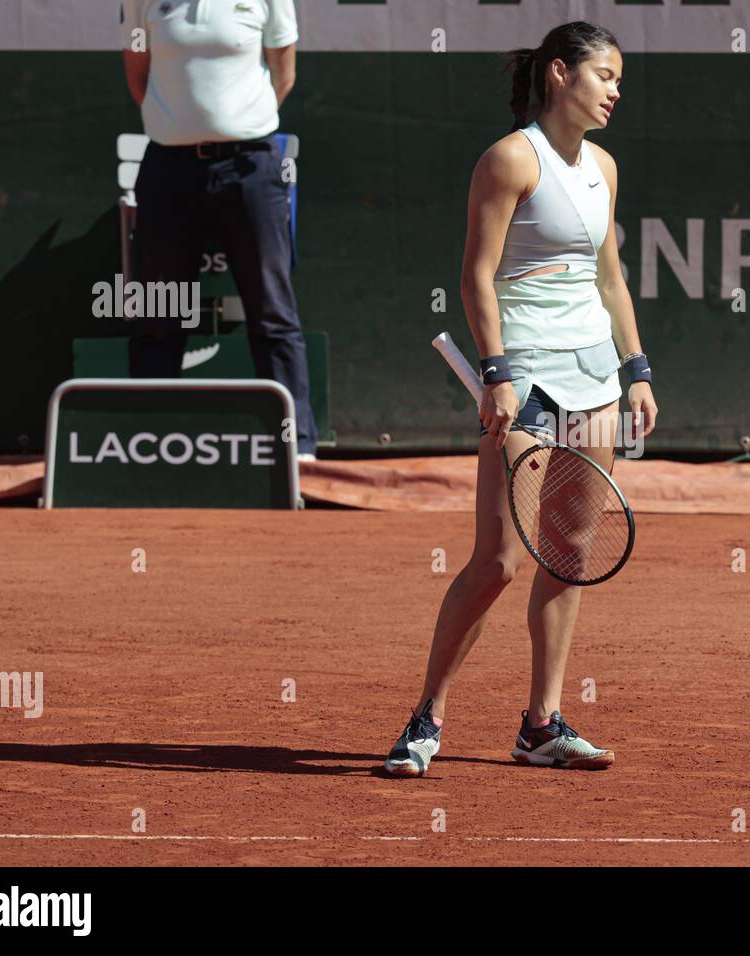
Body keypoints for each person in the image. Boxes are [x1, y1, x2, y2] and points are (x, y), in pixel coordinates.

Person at [382, 21, 658, 777]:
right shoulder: (510, 159)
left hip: (596, 374)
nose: (615, 92)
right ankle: (426, 715)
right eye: (605, 76)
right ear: (560, 75)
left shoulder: (602, 166)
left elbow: (610, 278)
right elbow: (477, 274)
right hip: (528, 377)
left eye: (620, 81)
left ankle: (541, 724)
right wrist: (497, 370)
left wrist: (636, 367)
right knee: (500, 560)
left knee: (567, 556)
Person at [120, 0, 319, 460]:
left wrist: (237, 127)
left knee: (272, 309)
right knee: (157, 310)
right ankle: (149, 443)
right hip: (167, 168)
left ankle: (296, 446)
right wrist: (178, 128)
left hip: (250, 166)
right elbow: (138, 75)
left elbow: (282, 74)